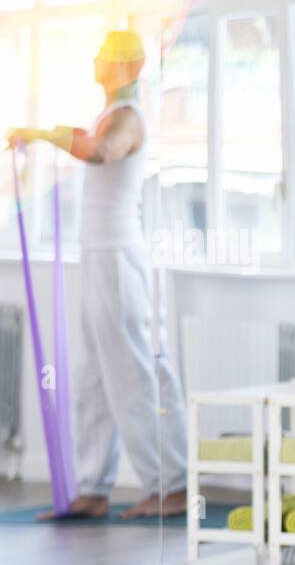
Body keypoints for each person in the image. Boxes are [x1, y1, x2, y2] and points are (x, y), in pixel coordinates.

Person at [7, 30, 188, 522]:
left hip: (117, 257)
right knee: (91, 376)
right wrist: (44, 135)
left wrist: (47, 135)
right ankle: (93, 487)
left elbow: (102, 151)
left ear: (129, 66)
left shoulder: (128, 119)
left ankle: (168, 485)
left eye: (107, 56)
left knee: (133, 371)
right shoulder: (106, 115)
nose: (96, 60)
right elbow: (86, 141)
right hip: (96, 254)